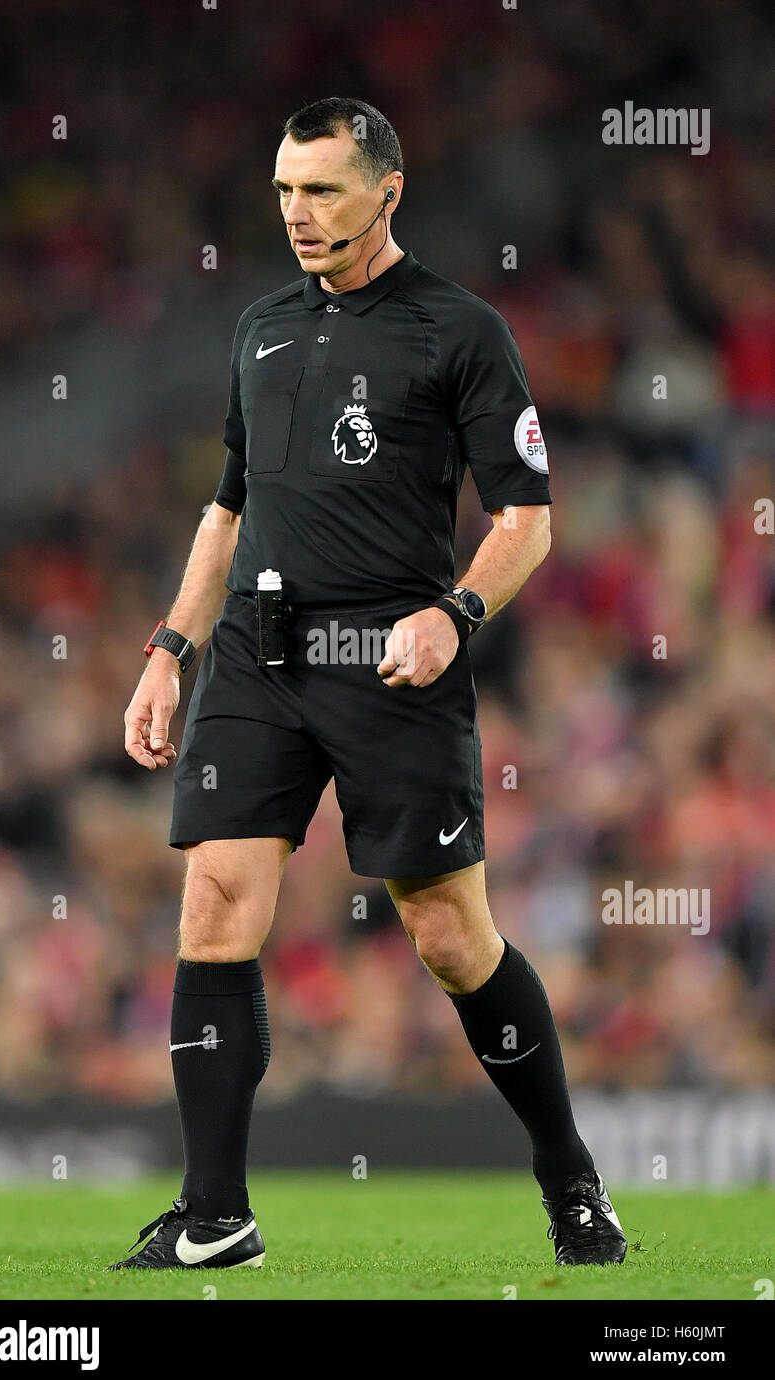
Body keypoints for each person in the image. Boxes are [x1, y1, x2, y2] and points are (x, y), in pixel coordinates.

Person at [114, 97, 626, 1272]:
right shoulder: (257, 329)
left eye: (323, 190)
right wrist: (170, 648)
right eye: (286, 190)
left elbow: (525, 520)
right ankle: (214, 1215)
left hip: (389, 654)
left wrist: (454, 617)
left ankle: (568, 1175)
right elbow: (228, 509)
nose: (298, 213)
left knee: (447, 935)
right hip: (256, 647)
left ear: (386, 192)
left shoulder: (459, 329)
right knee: (213, 906)